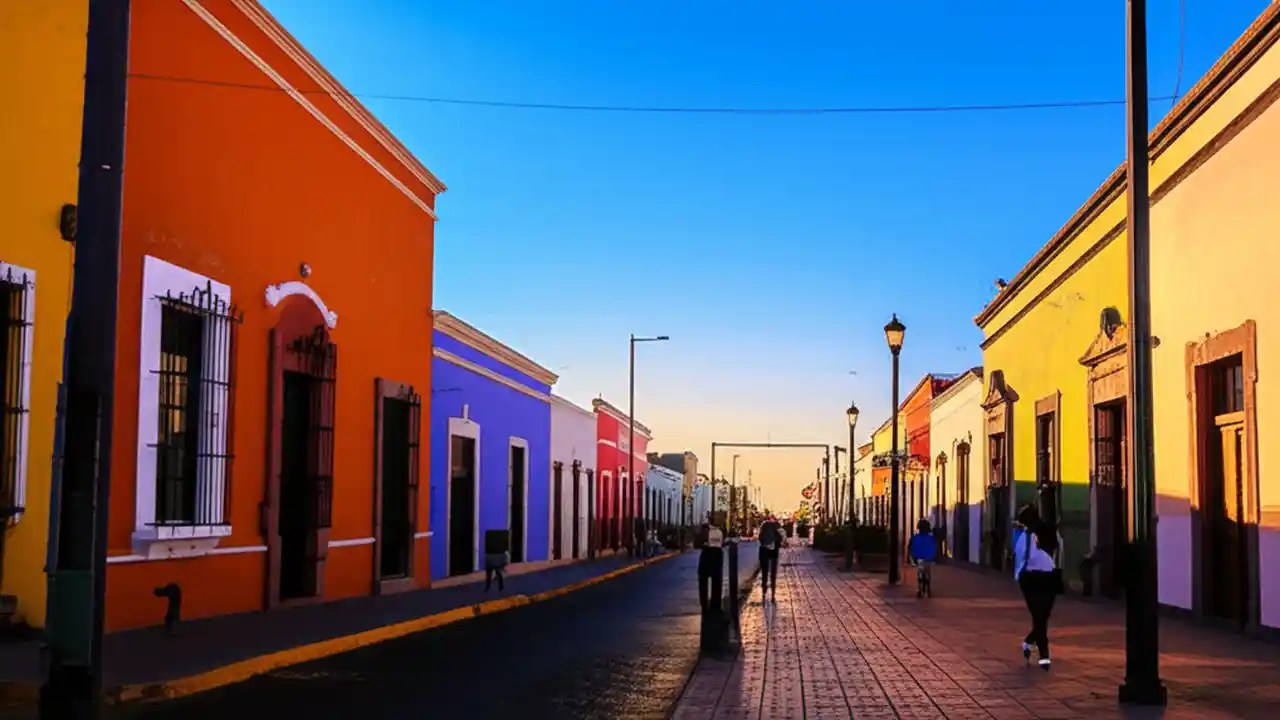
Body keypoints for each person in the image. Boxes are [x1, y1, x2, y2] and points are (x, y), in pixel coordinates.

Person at [1015, 507, 1060, 671]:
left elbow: (1022, 558)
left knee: (1040, 616)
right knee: (1042, 616)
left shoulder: (1027, 536)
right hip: (1047, 576)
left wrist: (1018, 576)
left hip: (1032, 578)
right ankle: (1044, 656)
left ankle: (1029, 643)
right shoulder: (1045, 531)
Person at [696, 513, 725, 613]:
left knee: (704, 581)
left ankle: (705, 606)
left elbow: (697, 543)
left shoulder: (706, 529)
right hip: (716, 554)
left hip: (708, 554)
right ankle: (715, 606)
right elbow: (722, 543)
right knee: (716, 581)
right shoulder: (720, 531)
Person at [908, 518, 937, 598]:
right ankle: (928, 589)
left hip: (918, 557)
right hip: (928, 557)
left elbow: (910, 547)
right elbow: (934, 548)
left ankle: (920, 588)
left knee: (920, 571)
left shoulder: (915, 537)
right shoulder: (931, 538)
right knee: (927, 571)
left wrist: (912, 557)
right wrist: (934, 557)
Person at [757, 515, 782, 600]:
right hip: (773, 551)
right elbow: (780, 537)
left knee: (764, 571)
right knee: (773, 571)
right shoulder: (775, 526)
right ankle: (773, 590)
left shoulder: (763, 526)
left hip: (764, 550)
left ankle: (764, 589)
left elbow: (760, 538)